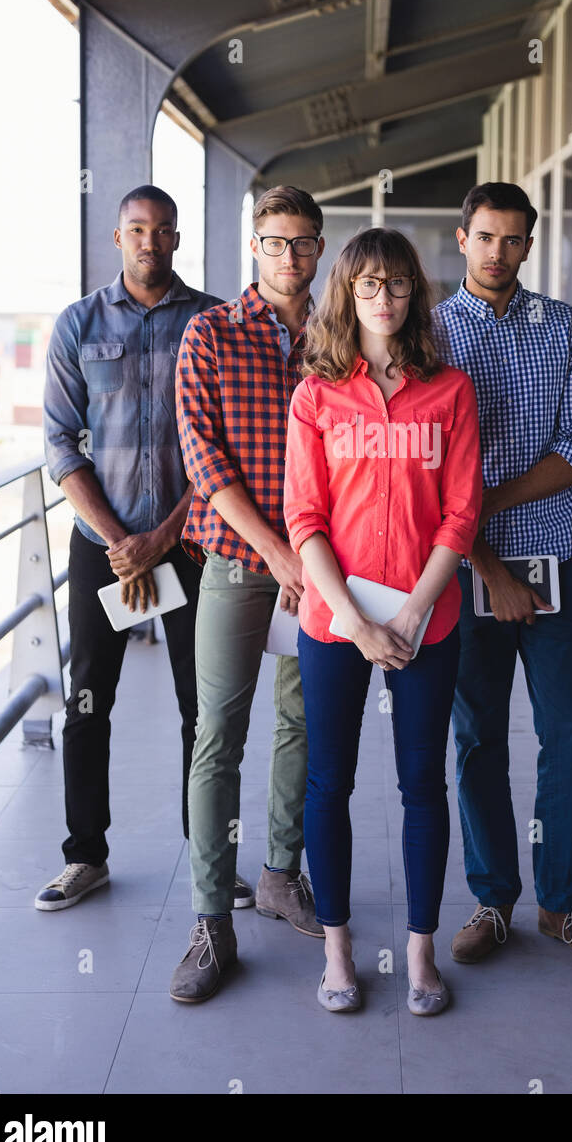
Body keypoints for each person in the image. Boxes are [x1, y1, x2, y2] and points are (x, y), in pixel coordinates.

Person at [283, 228, 482, 1015]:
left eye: (397, 284)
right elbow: (304, 518)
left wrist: (414, 607)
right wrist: (359, 623)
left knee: (422, 784)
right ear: (346, 293)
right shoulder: (317, 395)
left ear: (415, 292)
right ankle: (337, 953)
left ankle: (421, 954)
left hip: (426, 617)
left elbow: (462, 513)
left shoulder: (452, 391)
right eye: (368, 285)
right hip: (338, 623)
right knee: (328, 784)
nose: (384, 298)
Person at [431, 181, 572, 965]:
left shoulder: (565, 327)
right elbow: (431, 472)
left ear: (529, 245)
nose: (498, 252)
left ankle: (558, 903)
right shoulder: (431, 333)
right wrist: (481, 549)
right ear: (462, 237)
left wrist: (493, 499)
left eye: (514, 240)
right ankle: (491, 900)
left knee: (567, 733)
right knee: (477, 738)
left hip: (553, 553)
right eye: (485, 237)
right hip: (463, 566)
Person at [39, 186, 220, 911]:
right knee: (87, 701)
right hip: (101, 549)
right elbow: (58, 440)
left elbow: (223, 445)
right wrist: (123, 542)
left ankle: (207, 856)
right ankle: (86, 856)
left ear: (177, 240)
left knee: (202, 706)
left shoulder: (212, 321)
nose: (150, 241)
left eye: (163, 230)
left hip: (191, 545)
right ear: (118, 237)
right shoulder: (78, 324)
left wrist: (164, 537)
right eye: (137, 229)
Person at [169, 185, 326, 1004]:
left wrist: (314, 557)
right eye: (275, 242)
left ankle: (280, 876)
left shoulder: (340, 338)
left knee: (302, 722)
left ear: (321, 248)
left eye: (303, 242)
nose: (290, 257)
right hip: (238, 558)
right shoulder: (212, 334)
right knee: (218, 733)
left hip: (322, 566)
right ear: (253, 246)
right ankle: (209, 921)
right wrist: (278, 550)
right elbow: (205, 460)